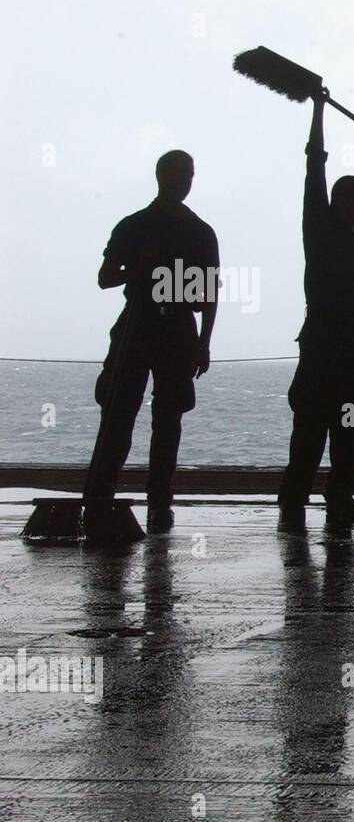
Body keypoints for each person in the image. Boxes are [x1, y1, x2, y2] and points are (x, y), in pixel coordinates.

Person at [87, 149, 219, 534]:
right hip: (139, 327)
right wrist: (136, 270)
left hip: (177, 330)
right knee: (119, 413)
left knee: (168, 420)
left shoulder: (200, 232)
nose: (184, 182)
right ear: (161, 176)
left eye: (189, 175)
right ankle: (104, 493)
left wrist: (204, 342)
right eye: (179, 174)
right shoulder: (135, 226)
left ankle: (159, 500)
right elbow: (105, 277)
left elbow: (209, 293)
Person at [277, 85, 354, 532]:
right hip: (323, 336)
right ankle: (296, 493)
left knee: (348, 418)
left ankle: (340, 491)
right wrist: (318, 111)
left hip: (350, 340)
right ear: (342, 201)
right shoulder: (318, 224)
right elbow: (314, 165)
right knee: (310, 420)